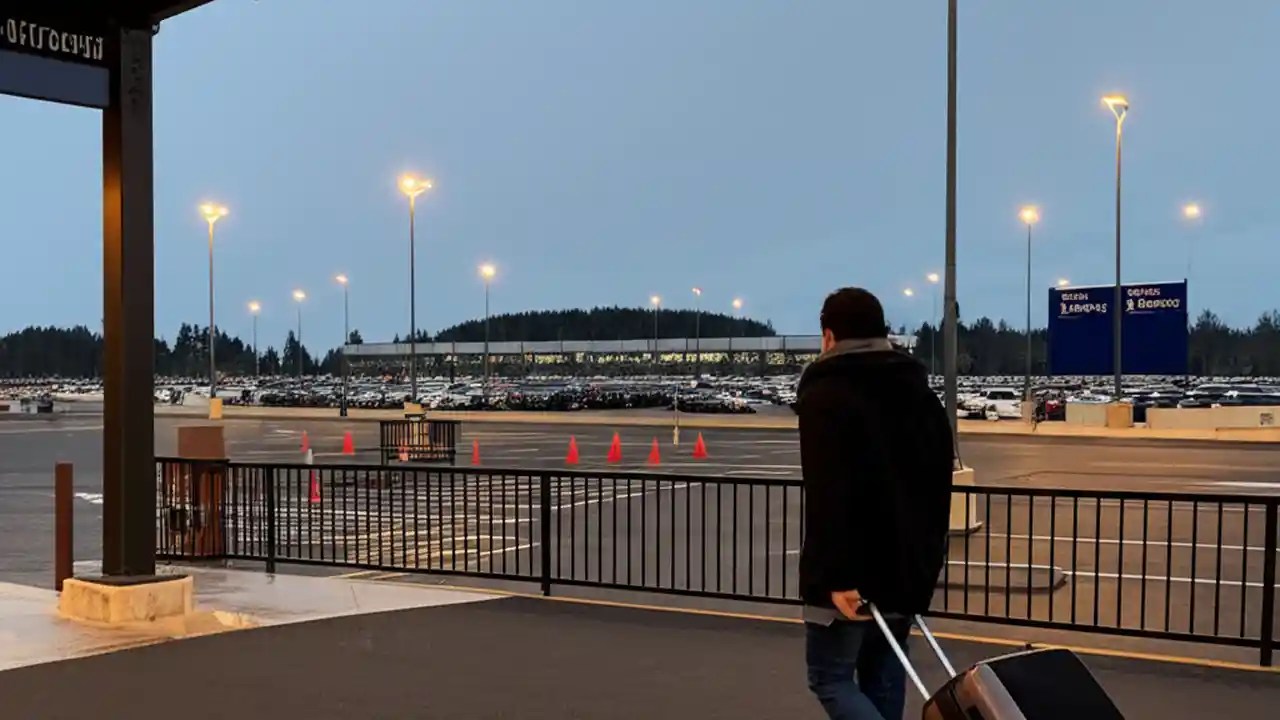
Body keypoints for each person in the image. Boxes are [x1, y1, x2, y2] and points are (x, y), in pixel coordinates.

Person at [798, 287, 955, 720]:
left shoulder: (826, 395)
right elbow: (937, 482)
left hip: (850, 577)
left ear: (828, 335)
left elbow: (829, 490)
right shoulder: (919, 391)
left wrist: (835, 575)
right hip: (907, 568)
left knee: (829, 678)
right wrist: (926, 562)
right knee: (884, 674)